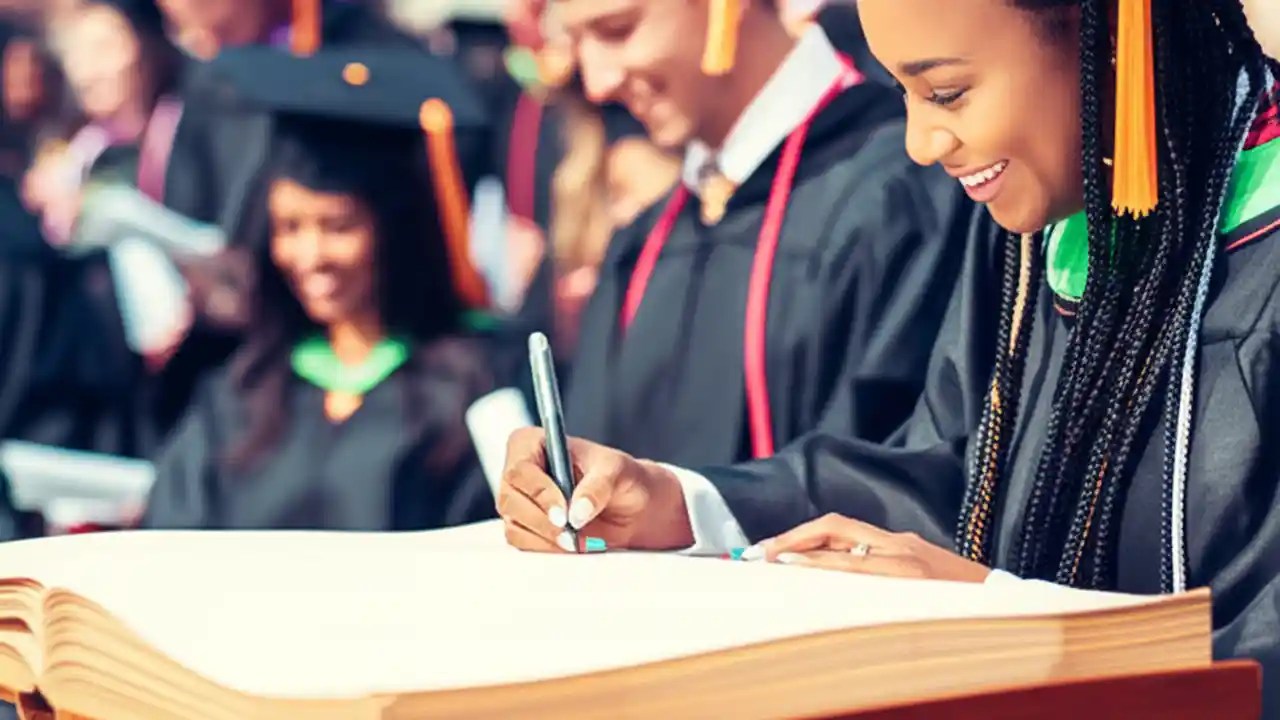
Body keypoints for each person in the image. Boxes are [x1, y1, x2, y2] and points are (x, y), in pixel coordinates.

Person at [497, 0, 1280, 711]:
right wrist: (678, 501)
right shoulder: (1038, 230)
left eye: (945, 93)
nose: (919, 141)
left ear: (1107, 38)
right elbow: (950, 471)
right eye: (902, 93)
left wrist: (1013, 626)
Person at [555, 0, 988, 469]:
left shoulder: (907, 196)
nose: (597, 84)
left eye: (617, 31)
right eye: (576, 41)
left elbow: (901, 479)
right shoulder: (643, 243)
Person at [141, 47, 498, 530]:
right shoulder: (240, 392)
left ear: (394, 230)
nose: (310, 256)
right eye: (290, 226)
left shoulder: (466, 392)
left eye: (338, 226)